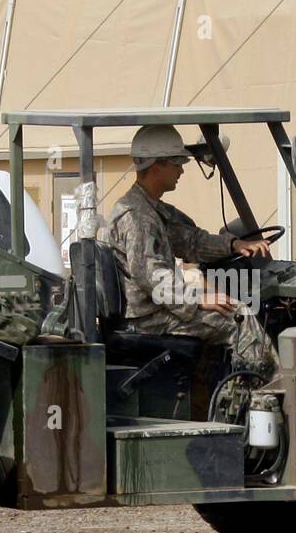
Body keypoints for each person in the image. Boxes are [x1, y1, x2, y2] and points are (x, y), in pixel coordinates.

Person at [100, 125, 278, 376]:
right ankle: (268, 395)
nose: (181, 170)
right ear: (156, 165)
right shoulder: (137, 217)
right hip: (147, 318)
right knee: (239, 316)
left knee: (227, 309)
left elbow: (190, 241)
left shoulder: (151, 210)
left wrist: (233, 244)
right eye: (176, 162)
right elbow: (149, 275)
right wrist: (197, 299)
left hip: (157, 308)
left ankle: (220, 391)